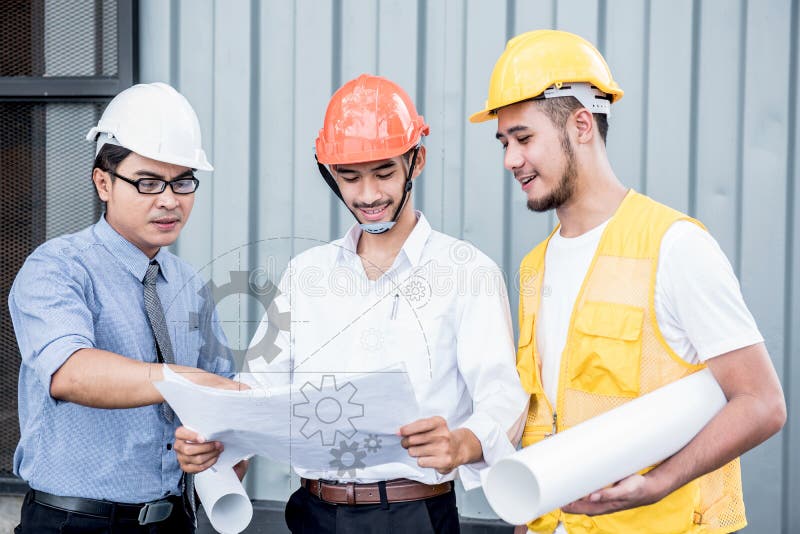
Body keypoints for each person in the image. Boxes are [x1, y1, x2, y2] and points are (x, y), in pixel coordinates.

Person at [174, 74, 529, 533]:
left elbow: (503, 395)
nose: (367, 195)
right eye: (349, 176)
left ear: (415, 161)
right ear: (328, 172)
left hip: (414, 515)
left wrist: (463, 442)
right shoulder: (306, 275)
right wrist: (214, 442)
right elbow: (258, 392)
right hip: (313, 512)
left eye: (383, 173)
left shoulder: (466, 271)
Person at [469, 29, 787, 533]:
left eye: (524, 138)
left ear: (580, 125)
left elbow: (763, 404)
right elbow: (548, 413)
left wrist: (659, 481)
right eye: (504, 142)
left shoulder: (674, 246)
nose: (510, 159)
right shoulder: (535, 267)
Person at [8, 82, 244, 533]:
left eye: (183, 182)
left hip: (172, 520)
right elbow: (71, 372)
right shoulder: (57, 267)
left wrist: (219, 450)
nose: (170, 200)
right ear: (103, 182)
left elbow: (223, 401)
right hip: (74, 523)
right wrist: (184, 381)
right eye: (148, 182)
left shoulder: (191, 285)